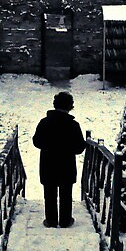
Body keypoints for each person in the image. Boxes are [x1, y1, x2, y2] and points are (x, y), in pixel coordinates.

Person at [32, 91, 86, 228]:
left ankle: (50, 220)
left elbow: (36, 142)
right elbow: (80, 147)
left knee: (49, 194)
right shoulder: (73, 125)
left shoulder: (44, 123)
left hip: (48, 164)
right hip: (66, 165)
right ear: (70, 107)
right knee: (66, 194)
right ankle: (65, 220)